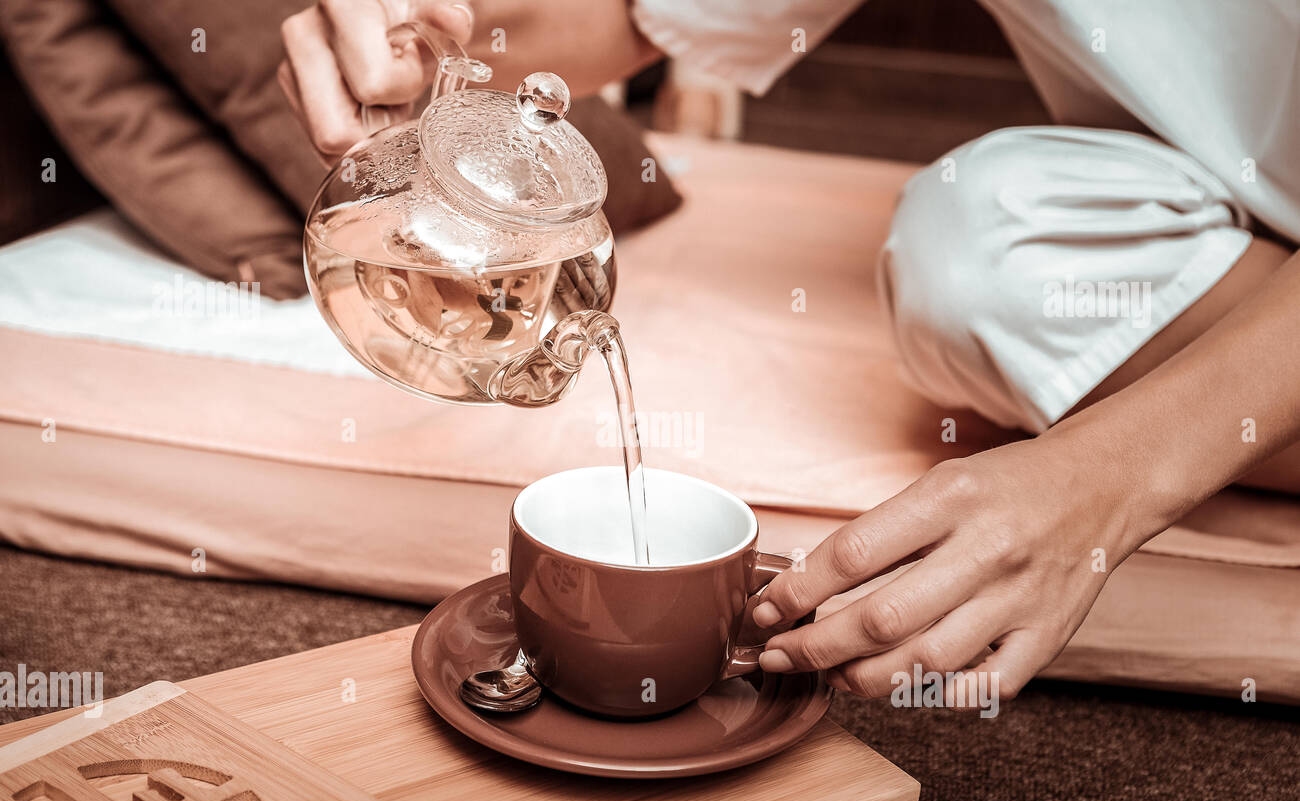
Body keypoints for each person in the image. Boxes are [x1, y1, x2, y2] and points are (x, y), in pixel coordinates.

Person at [280, 0, 1300, 704]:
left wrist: (1107, 475)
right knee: (973, 249)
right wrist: (411, 28)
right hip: (1232, 209)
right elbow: (618, 20)